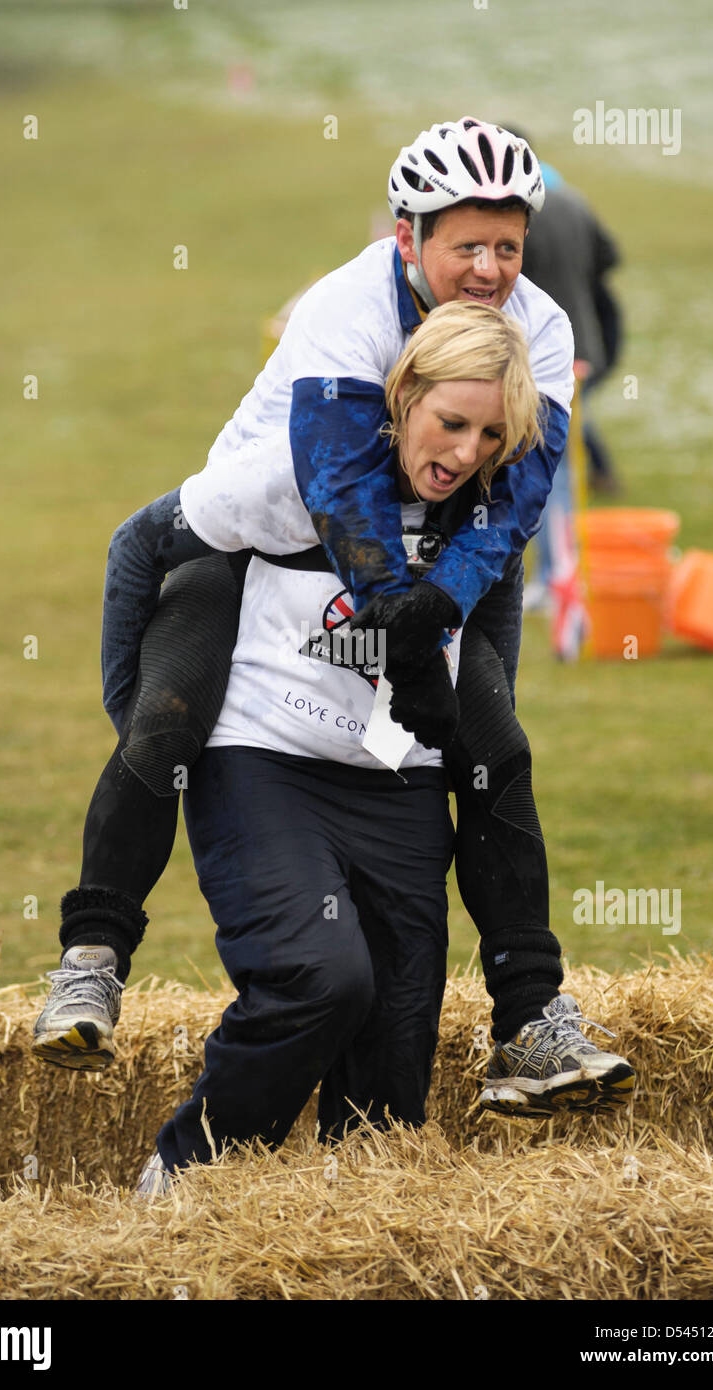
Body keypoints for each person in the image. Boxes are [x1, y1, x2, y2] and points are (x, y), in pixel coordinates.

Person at [33, 119, 634, 1119]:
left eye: (507, 247)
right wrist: (125, 692)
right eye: (464, 246)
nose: (488, 269)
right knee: (169, 719)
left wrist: (437, 636)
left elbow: (510, 509)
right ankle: (93, 954)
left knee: (492, 750)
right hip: (260, 533)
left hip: (427, 560)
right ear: (409, 239)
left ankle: (530, 1020)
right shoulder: (346, 312)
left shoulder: (542, 327)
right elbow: (339, 498)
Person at [131, 302, 539, 1193]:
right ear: (402, 397)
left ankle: (352, 1228)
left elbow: (490, 657)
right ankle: (185, 1174)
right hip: (264, 759)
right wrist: (132, 707)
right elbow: (141, 544)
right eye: (450, 422)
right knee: (320, 977)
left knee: (396, 1034)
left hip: (397, 782)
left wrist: (466, 736)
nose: (466, 451)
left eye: (489, 434)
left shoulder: (491, 511)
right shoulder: (290, 472)